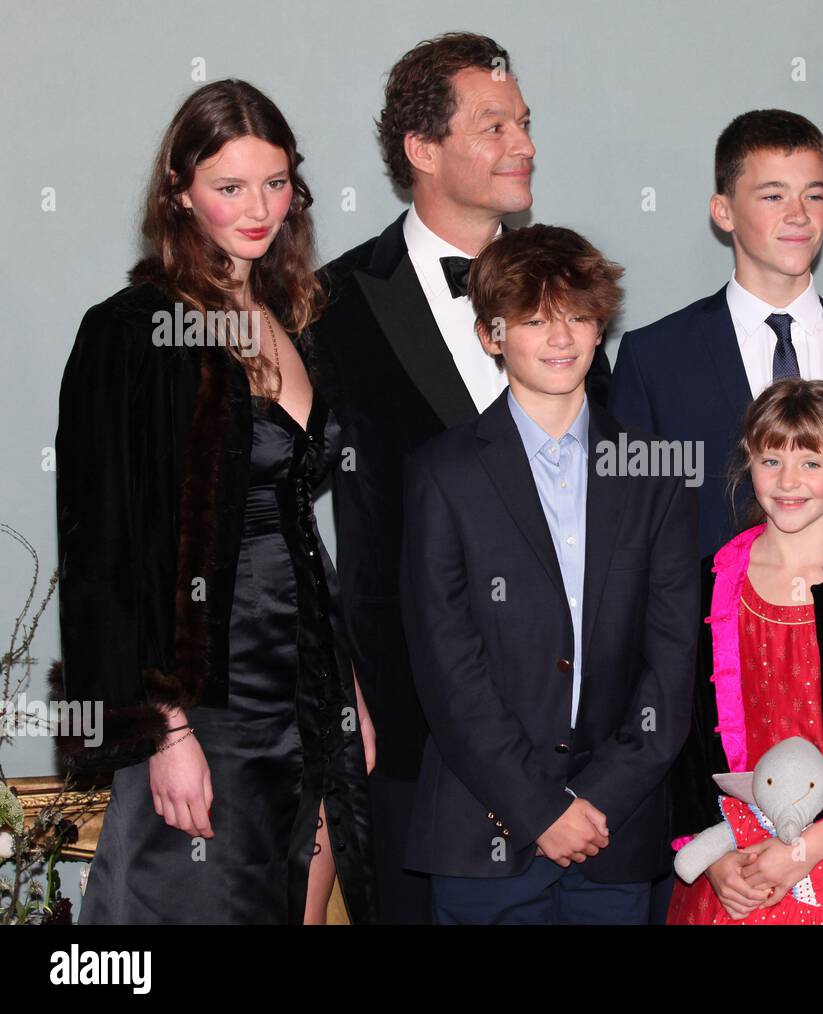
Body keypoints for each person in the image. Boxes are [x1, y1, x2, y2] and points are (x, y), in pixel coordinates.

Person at [53, 79, 376, 923]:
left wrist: (348, 693)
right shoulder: (133, 330)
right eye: (229, 187)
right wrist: (166, 731)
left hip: (304, 693)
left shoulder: (295, 318)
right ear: (180, 191)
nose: (257, 207)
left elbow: (306, 536)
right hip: (208, 707)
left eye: (275, 183)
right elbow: (106, 554)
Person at [312, 32, 609, 924]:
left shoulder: (574, 293)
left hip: (573, 722)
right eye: (494, 126)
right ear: (422, 150)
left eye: (524, 122)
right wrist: (338, 680)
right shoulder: (331, 304)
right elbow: (282, 512)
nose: (523, 143)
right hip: (410, 725)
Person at [399, 224, 698, 924]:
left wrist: (597, 802)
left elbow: (673, 660)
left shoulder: (657, 471)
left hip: (615, 832)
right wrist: (539, 809)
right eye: (535, 319)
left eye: (578, 317)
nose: (560, 337)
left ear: (601, 329)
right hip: (484, 830)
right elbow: (447, 668)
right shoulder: (442, 474)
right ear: (491, 335)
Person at [667, 378, 823, 924]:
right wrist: (716, 862)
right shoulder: (708, 581)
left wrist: (806, 849)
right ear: (748, 462)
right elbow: (681, 731)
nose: (787, 482)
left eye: (810, 464)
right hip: (731, 854)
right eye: (770, 459)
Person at [609, 109, 823, 559]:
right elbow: (628, 534)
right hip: (705, 624)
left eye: (814, 196)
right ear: (723, 212)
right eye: (773, 196)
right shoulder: (654, 361)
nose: (799, 216)